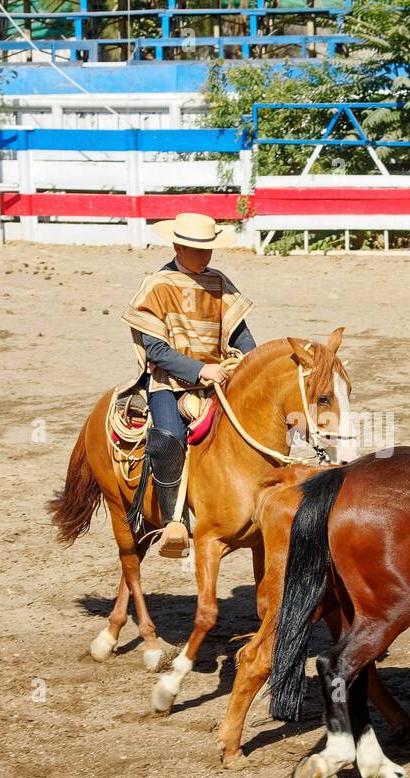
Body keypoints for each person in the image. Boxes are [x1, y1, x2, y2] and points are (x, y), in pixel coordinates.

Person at [121, 212, 256, 559]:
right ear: (179, 246)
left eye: (209, 249)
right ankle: (173, 522)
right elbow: (156, 351)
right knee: (170, 437)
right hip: (169, 383)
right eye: (198, 249)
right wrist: (200, 370)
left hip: (220, 378)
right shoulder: (157, 285)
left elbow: (242, 337)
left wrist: (252, 365)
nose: (206, 255)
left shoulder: (220, 282)